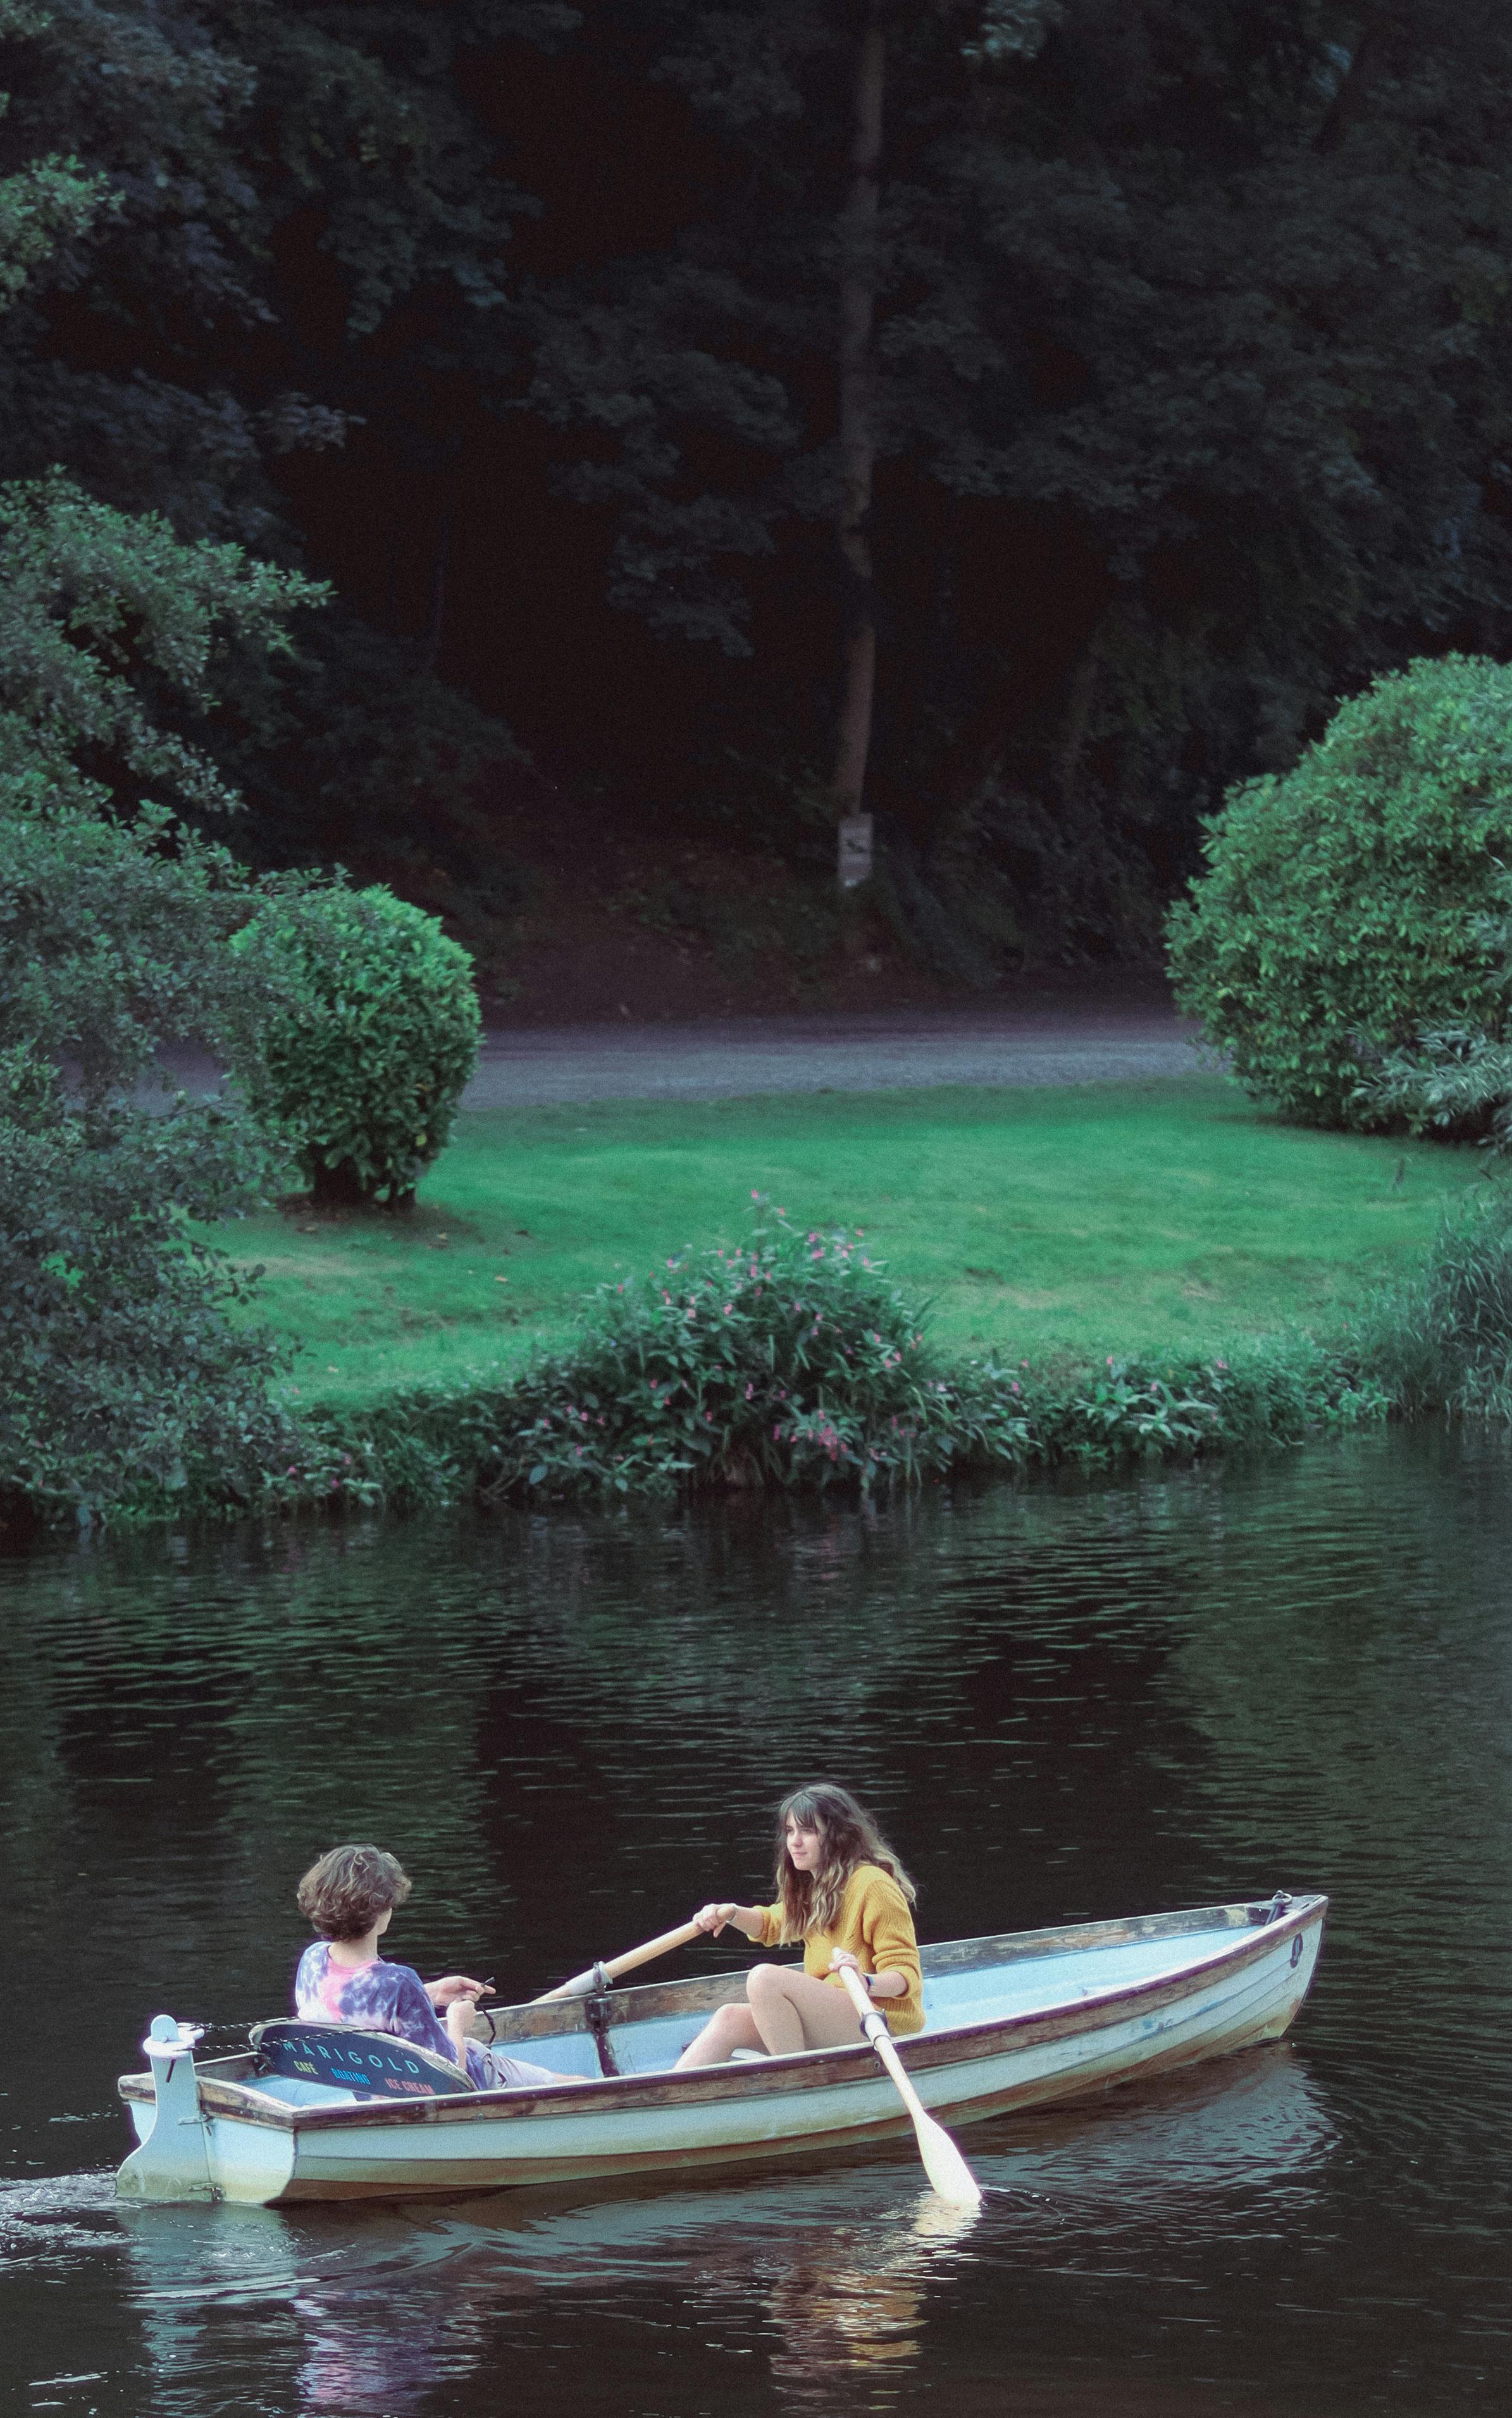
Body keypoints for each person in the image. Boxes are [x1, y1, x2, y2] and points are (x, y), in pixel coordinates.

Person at [674, 1782, 924, 2068]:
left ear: (838, 1836)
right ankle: (660, 2102)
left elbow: (906, 1976)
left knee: (764, 1978)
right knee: (729, 2018)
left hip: (882, 2019)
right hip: (840, 2013)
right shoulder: (813, 1885)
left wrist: (864, 1980)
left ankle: (796, 2078)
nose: (794, 1842)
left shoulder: (873, 1885)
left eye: (807, 1831)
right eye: (790, 1831)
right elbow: (771, 1924)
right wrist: (729, 1913)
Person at [293, 1843, 578, 2090]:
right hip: (465, 2082)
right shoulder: (399, 1982)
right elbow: (450, 2077)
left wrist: (429, 1992)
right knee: (576, 2084)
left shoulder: (314, 1960)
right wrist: (458, 2021)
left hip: (375, 2088)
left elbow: (350, 2008)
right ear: (381, 1911)